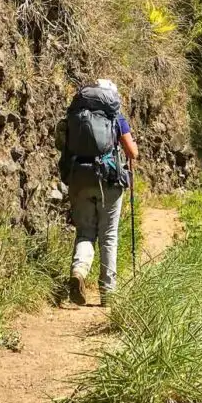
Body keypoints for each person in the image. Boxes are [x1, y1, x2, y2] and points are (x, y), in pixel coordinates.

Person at [59, 78, 138, 307]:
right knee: (109, 235)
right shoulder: (115, 116)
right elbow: (132, 152)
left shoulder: (76, 115)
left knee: (85, 233)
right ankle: (108, 293)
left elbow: (61, 145)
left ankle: (79, 271)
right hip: (108, 181)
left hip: (79, 178)